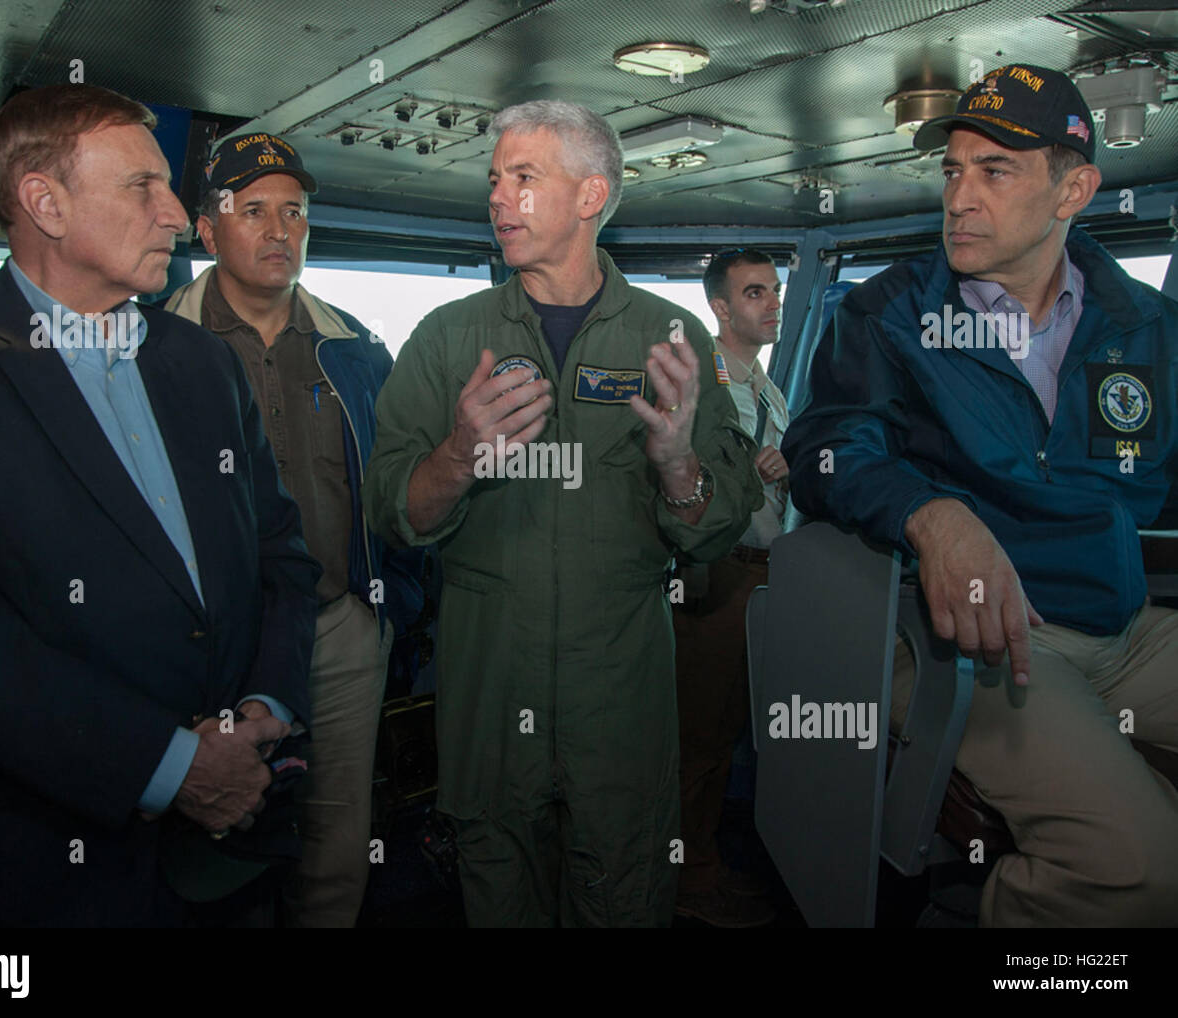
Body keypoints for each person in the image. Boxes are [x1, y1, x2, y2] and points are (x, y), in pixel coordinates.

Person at [0, 84, 320, 926]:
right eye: (141, 187)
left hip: (229, 848)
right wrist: (171, 766)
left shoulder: (201, 362)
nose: (175, 214)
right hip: (29, 866)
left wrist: (262, 713)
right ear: (44, 203)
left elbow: (282, 558)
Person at [783, 64, 1178, 926]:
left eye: (994, 171)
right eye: (953, 170)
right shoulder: (889, 313)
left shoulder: (1144, 325)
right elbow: (821, 450)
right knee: (1139, 868)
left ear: (1074, 189)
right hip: (976, 638)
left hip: (1123, 623)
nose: (960, 196)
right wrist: (934, 515)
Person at [363, 99, 762, 927]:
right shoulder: (447, 338)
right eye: (494, 181)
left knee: (622, 889)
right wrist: (458, 457)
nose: (498, 200)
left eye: (523, 178)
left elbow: (717, 524)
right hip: (486, 694)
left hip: (619, 697)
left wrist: (677, 462)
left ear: (589, 197)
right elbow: (389, 507)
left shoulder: (669, 335)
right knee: (499, 893)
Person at [164, 131, 426, 927]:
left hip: (340, 629)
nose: (280, 231)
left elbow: (389, 491)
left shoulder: (355, 349)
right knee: (211, 840)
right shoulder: (153, 346)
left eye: (295, 213)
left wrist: (396, 606)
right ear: (207, 232)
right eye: (254, 212)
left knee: (336, 835)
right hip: (212, 644)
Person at [673, 248, 789, 927]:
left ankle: (706, 862)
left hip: (763, 577)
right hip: (718, 574)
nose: (772, 303)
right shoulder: (707, 385)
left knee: (726, 735)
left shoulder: (765, 385)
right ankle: (688, 882)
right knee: (699, 739)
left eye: (774, 290)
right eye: (754, 293)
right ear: (719, 307)